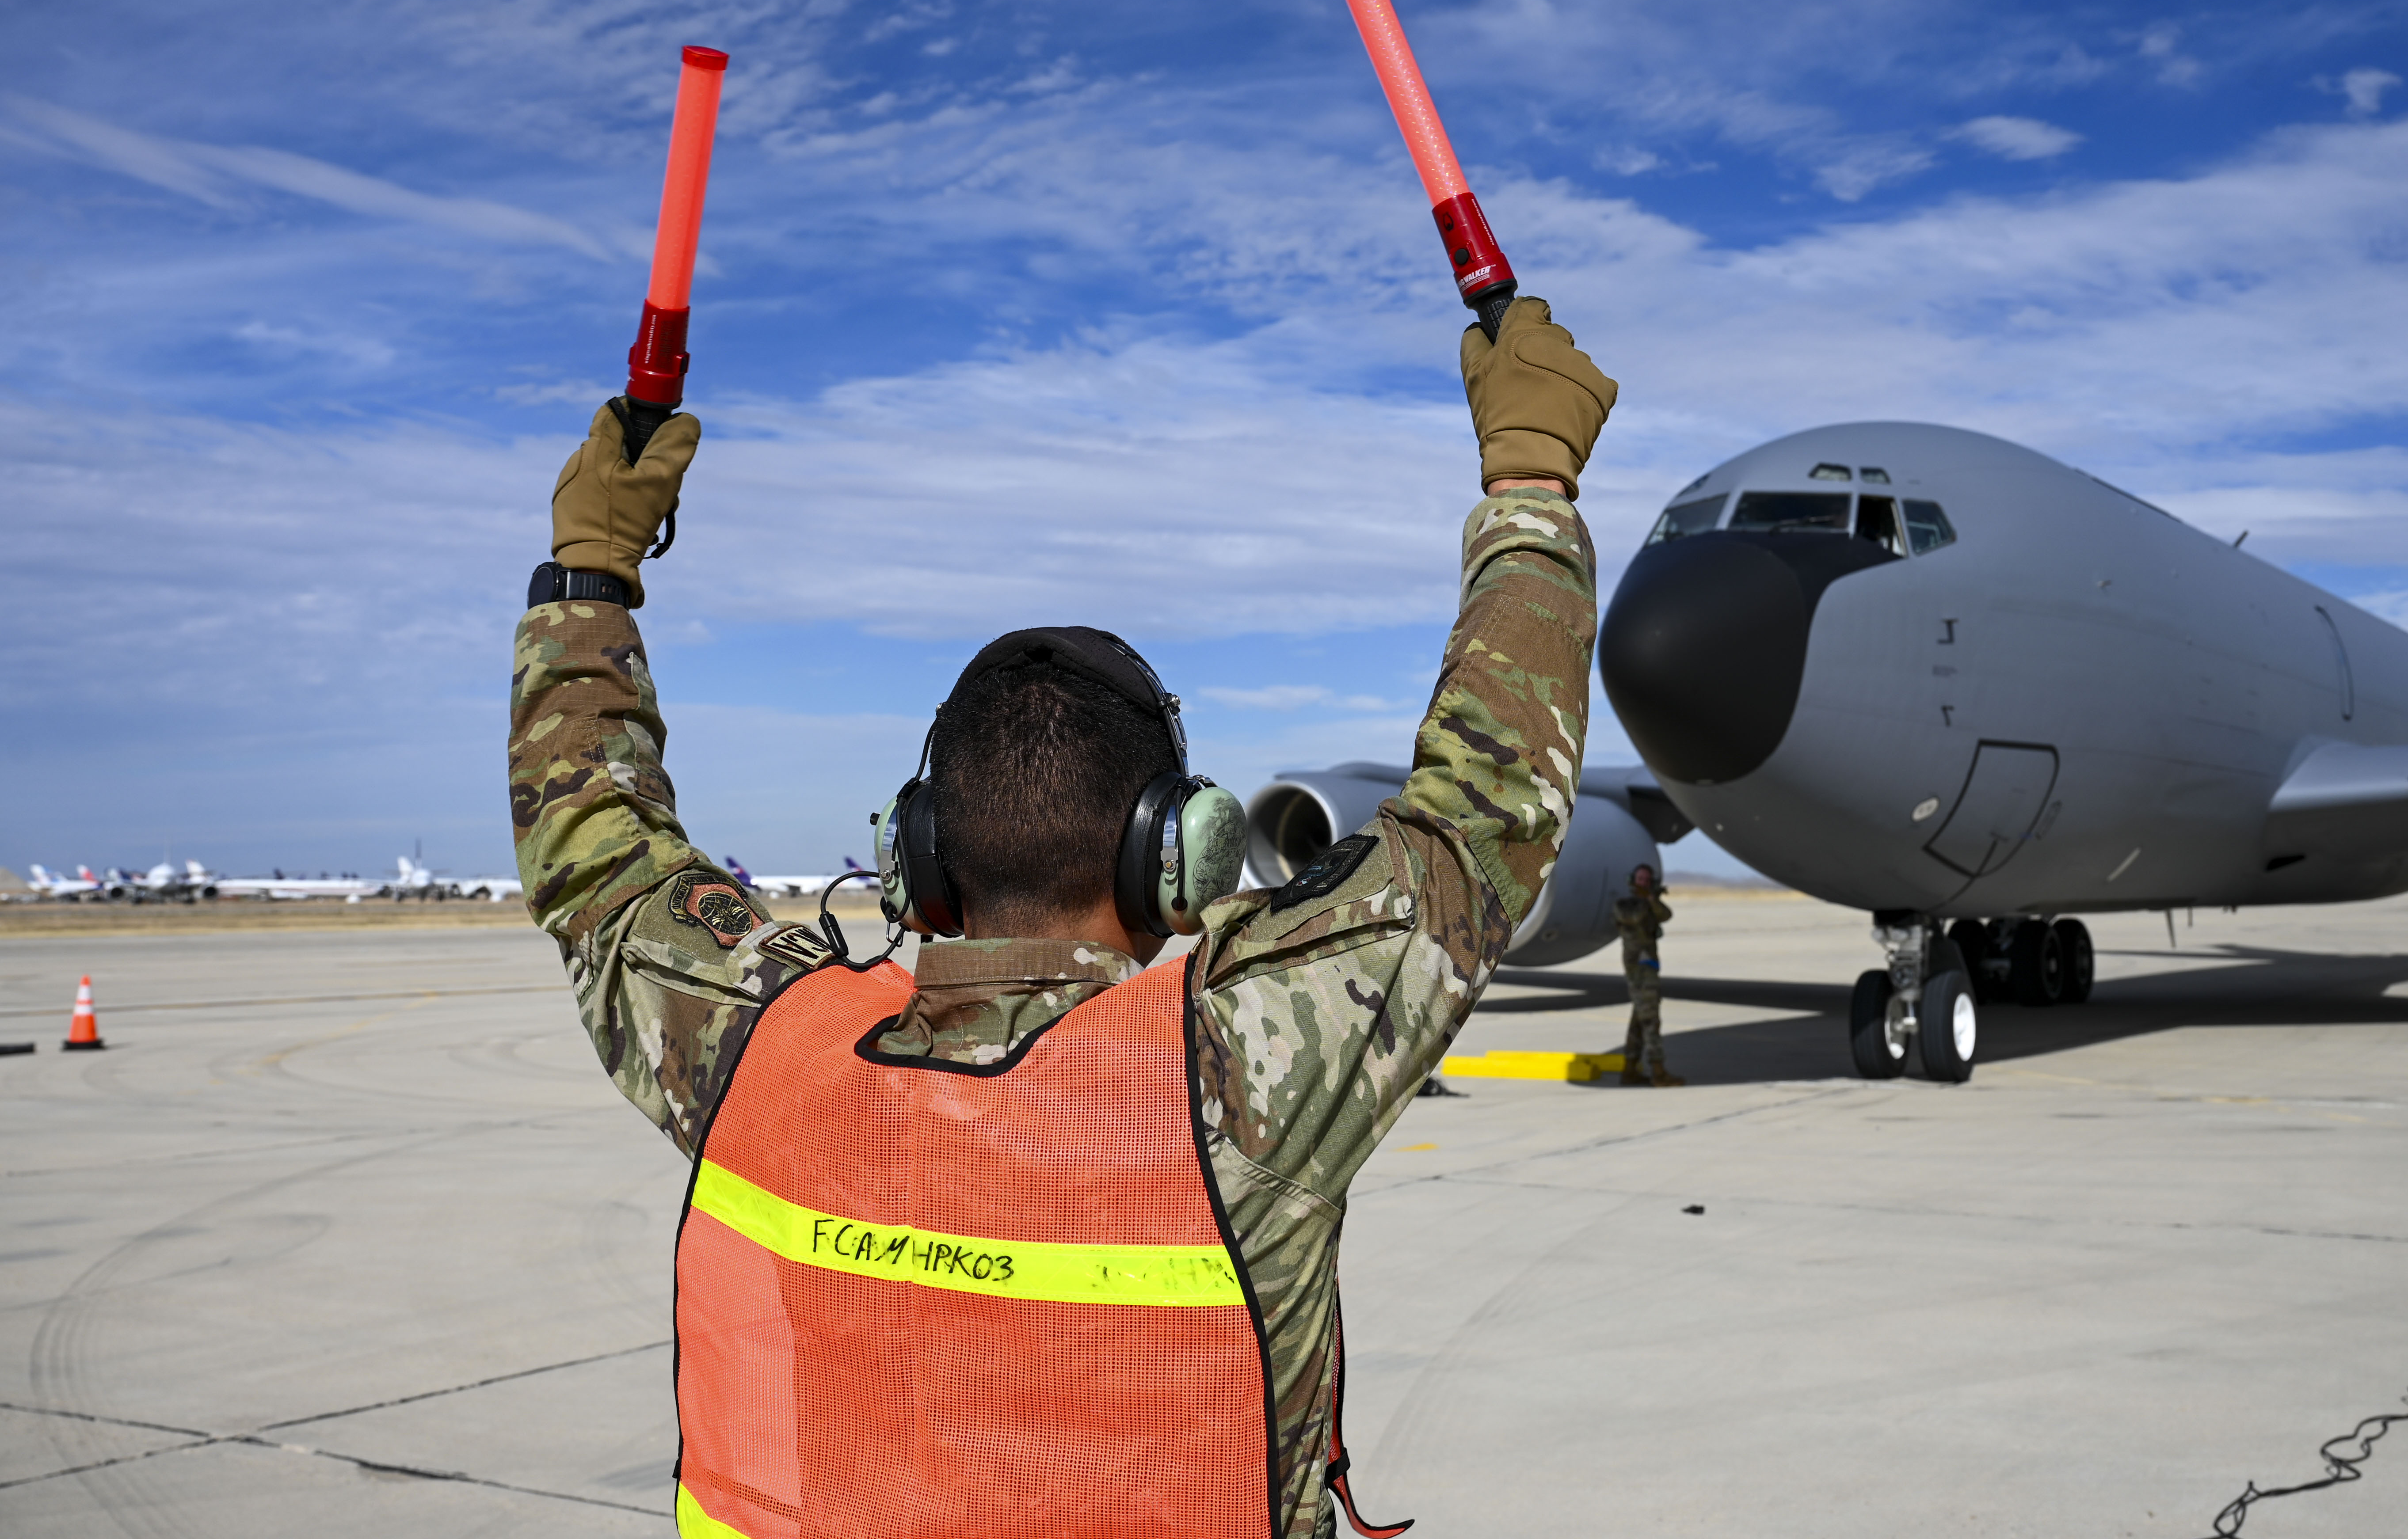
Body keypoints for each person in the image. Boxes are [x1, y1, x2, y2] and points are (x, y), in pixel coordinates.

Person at [509, 298, 1615, 1539]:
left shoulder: (765, 1058)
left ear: (918, 854)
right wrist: (1531, 486)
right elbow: (1481, 819)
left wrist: (586, 570)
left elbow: (597, 857)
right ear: (1177, 860)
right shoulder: (1235, 1078)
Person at [1614, 863, 1680, 1087]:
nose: (1643, 883)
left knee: (1639, 1021)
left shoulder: (1650, 904)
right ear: (1634, 881)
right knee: (1651, 1021)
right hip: (1638, 971)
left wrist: (1654, 899)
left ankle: (1629, 1070)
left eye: (1647, 880)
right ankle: (1659, 1073)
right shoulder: (1625, 905)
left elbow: (1666, 915)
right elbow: (1634, 917)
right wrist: (1647, 899)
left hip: (1650, 967)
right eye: (1640, 879)